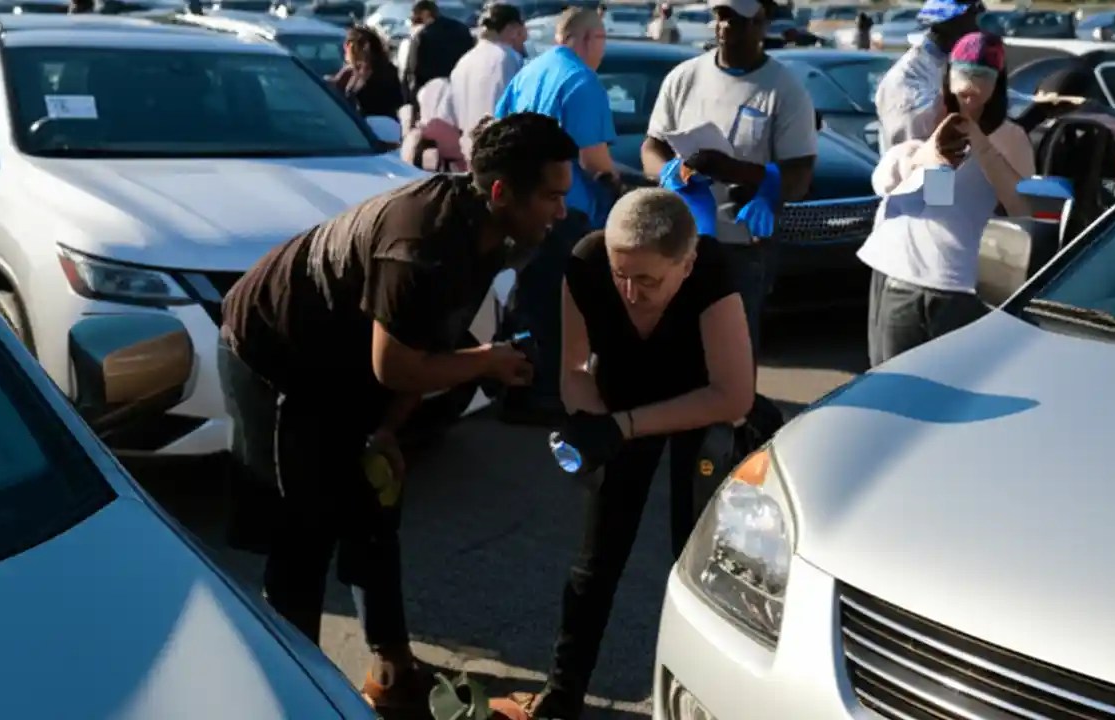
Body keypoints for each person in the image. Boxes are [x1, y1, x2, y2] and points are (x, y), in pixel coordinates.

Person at [216, 112, 578, 716]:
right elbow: (397, 366)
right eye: (551, 196)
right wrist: (487, 362)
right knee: (304, 534)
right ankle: (294, 693)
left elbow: (430, 342)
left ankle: (391, 674)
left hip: (349, 355)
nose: (561, 211)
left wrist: (386, 431)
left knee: (374, 509)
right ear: (499, 192)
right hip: (276, 354)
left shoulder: (495, 234)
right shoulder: (421, 244)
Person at [496, 189, 755, 720]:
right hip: (619, 398)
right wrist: (592, 423)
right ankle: (562, 694)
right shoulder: (588, 263)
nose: (631, 293)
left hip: (696, 407)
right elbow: (572, 368)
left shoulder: (712, 273)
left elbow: (733, 394)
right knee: (597, 560)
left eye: (649, 280)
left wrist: (624, 425)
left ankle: (702, 699)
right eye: (623, 276)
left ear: (686, 264)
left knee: (700, 559)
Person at [641, 0, 817, 360]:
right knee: (675, 345)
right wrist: (667, 172)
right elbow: (651, 147)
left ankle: (733, 414)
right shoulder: (684, 77)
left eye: (736, 19)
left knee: (731, 350)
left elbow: (799, 174)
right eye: (719, 16)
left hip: (742, 246)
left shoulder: (784, 90)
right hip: (678, 239)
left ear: (761, 22)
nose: (724, 27)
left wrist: (739, 175)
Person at [858, 32, 1035, 367]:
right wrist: (926, 155)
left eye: (982, 77)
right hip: (901, 274)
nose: (969, 90)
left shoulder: (1011, 137)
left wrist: (982, 146)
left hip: (961, 287)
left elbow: (1022, 208)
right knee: (889, 384)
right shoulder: (925, 117)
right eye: (963, 75)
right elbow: (886, 181)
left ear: (997, 84)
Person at [494, 7, 619, 423]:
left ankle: (515, 387)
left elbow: (499, 128)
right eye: (602, 39)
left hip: (522, 209)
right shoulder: (582, 81)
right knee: (559, 307)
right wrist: (616, 178)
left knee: (526, 300)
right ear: (585, 38)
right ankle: (547, 394)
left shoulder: (529, 72)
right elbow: (592, 157)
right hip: (566, 213)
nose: (603, 48)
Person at [874, 0, 983, 154]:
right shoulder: (906, 80)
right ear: (947, 23)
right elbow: (917, 148)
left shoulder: (957, 66)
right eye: (970, 18)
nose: (977, 30)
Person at [451, 2, 528, 160]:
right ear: (513, 29)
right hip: (502, 153)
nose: (523, 43)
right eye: (522, 35)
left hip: (470, 153)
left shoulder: (463, 62)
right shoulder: (508, 57)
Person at [402, 0, 476, 112]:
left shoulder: (422, 36)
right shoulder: (462, 29)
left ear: (425, 13)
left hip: (429, 96)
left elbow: (412, 70)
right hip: (460, 93)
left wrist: (410, 102)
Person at [330, 25, 404, 120]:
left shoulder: (358, 73)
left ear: (351, 47)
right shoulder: (389, 70)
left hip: (365, 127)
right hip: (389, 125)